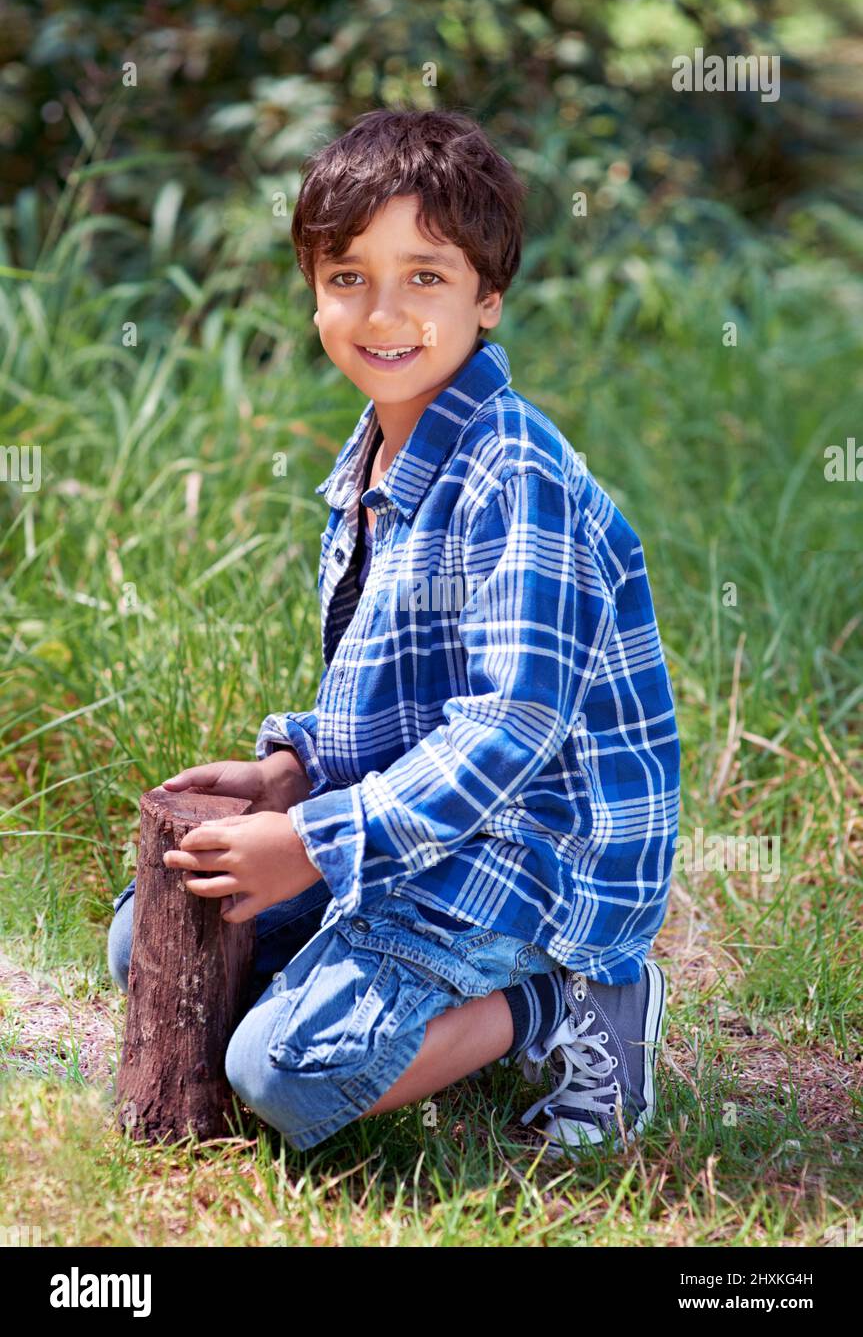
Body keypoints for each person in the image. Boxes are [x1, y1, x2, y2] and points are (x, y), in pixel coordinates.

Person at [108, 108, 680, 1157]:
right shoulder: (374, 457)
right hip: (429, 820)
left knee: (282, 1070)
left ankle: (567, 999)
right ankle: (394, 993)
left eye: (424, 277)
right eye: (345, 278)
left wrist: (317, 843)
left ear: (486, 296)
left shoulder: (516, 474)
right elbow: (398, 697)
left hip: (533, 850)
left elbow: (508, 729)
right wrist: (290, 774)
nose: (381, 311)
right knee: (150, 936)